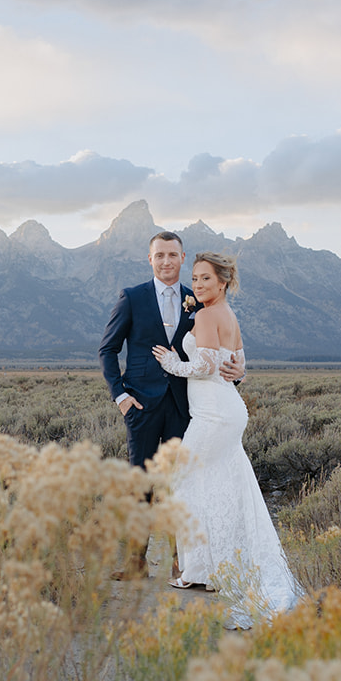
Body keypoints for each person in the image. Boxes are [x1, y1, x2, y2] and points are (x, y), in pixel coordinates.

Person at [152, 252, 300, 626]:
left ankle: (201, 570)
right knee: (218, 484)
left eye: (205, 279)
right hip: (227, 408)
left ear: (222, 282)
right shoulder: (229, 315)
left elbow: (202, 367)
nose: (198, 285)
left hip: (214, 413)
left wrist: (171, 363)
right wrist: (235, 370)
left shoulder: (204, 315)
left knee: (183, 480)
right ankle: (209, 569)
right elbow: (239, 364)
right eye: (196, 279)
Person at [99, 231, 243, 577]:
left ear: (182, 258)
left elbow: (221, 348)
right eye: (159, 255)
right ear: (150, 259)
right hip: (141, 407)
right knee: (141, 484)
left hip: (185, 407)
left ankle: (184, 562)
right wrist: (121, 396)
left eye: (172, 255)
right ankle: (136, 562)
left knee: (184, 484)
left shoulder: (199, 299)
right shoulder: (132, 298)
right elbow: (108, 349)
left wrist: (236, 370)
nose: (166, 261)